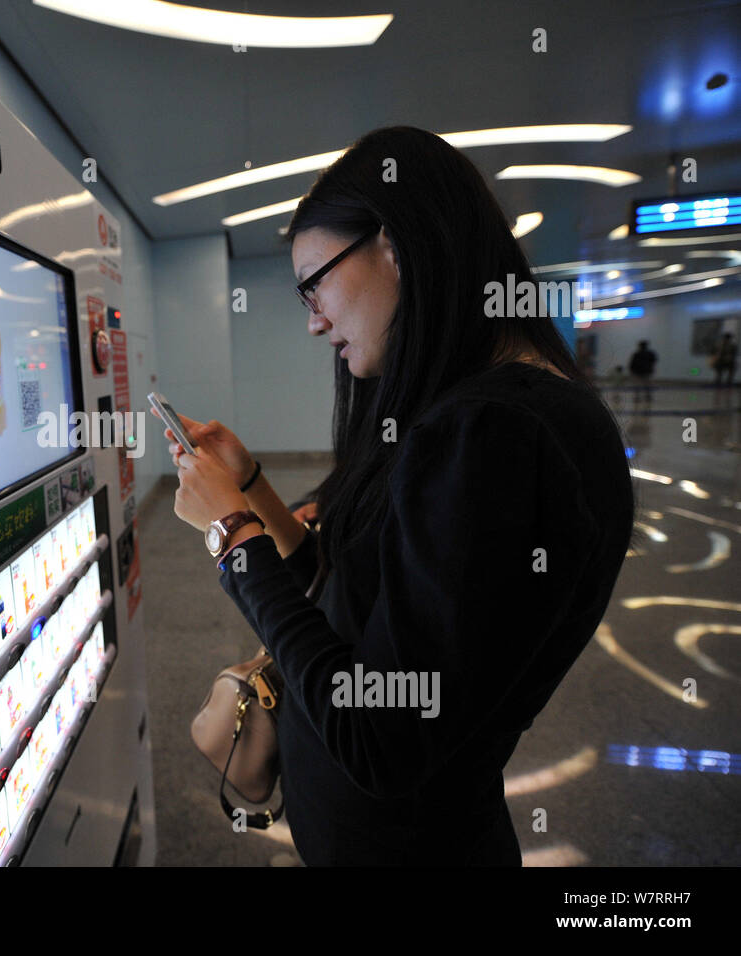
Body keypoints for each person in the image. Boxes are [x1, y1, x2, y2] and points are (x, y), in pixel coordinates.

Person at [152, 126, 635, 866]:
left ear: (397, 245)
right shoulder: (481, 413)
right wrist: (251, 489)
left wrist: (232, 534)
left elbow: (381, 732)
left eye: (315, 283)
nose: (313, 320)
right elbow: (364, 600)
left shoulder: (494, 432)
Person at [628, 341, 657, 406]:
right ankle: (647, 397)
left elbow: (632, 364)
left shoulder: (636, 354)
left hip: (638, 373)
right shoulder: (650, 354)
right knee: (647, 386)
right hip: (647, 372)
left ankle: (637, 397)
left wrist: (632, 371)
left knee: (637, 386)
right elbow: (653, 362)